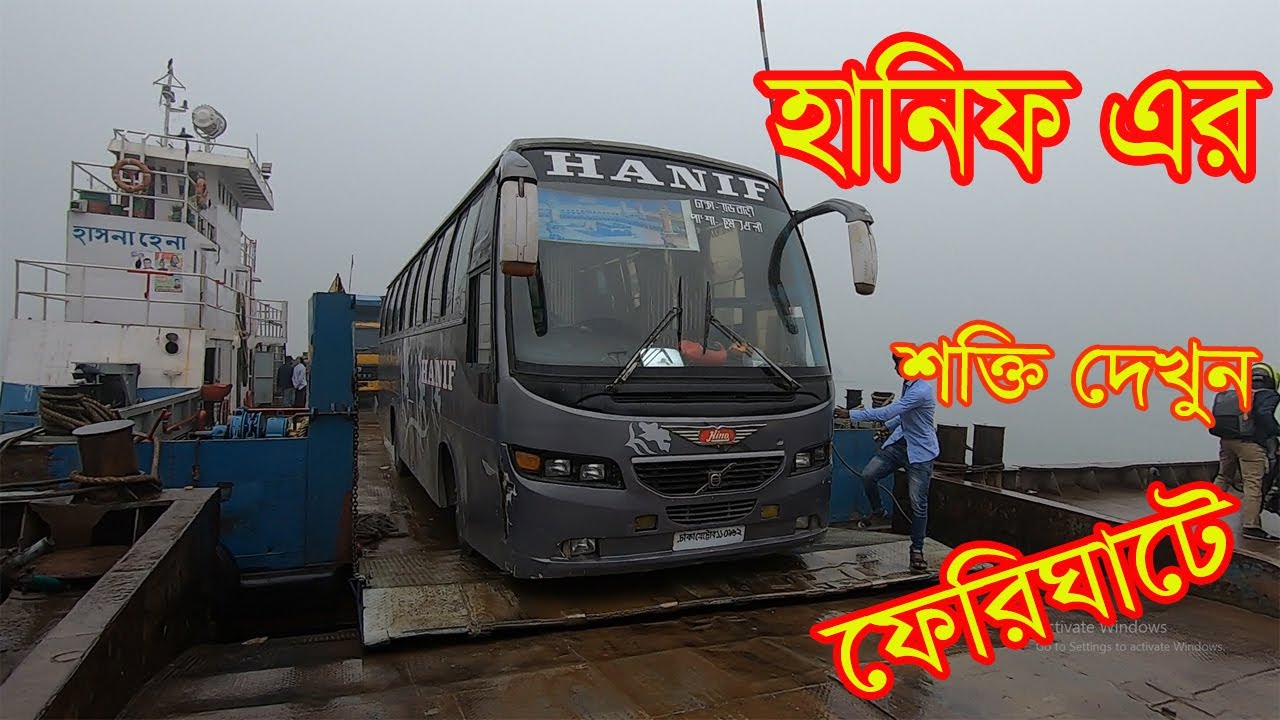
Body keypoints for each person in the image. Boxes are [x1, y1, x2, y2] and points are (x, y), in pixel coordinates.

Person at [836, 353, 939, 572]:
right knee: (868, 475)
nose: (895, 369)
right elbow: (902, 415)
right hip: (899, 445)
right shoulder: (909, 384)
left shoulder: (922, 390)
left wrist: (850, 414)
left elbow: (890, 410)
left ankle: (917, 550)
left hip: (920, 453)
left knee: (918, 503)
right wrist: (888, 427)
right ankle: (878, 511)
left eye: (898, 364)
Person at [1211, 361, 1280, 542]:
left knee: (1223, 477)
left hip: (1227, 441)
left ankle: (1206, 514)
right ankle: (1251, 526)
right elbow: (1264, 414)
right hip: (1250, 445)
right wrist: (1276, 431)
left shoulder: (1238, 394)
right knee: (1253, 484)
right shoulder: (1268, 394)